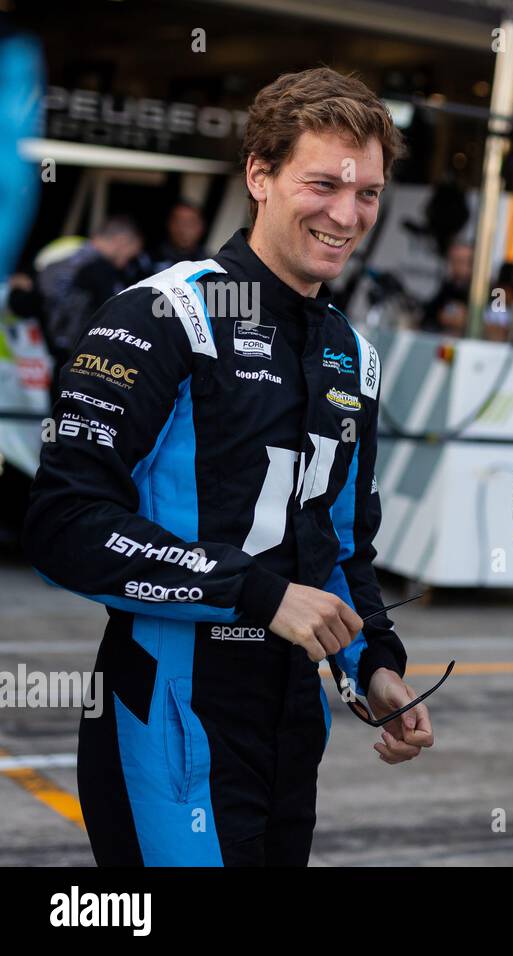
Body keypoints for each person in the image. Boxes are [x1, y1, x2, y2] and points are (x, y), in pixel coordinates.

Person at [24, 66, 432, 867]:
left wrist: (375, 665)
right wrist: (254, 592)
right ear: (260, 174)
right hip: (167, 713)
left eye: (369, 194)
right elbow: (63, 526)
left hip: (290, 725)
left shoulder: (353, 352)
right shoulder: (160, 314)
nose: (347, 215)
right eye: (323, 183)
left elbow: (341, 547)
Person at [39, 217, 143, 372]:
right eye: (130, 255)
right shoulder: (98, 268)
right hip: (71, 354)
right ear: (121, 241)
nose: (127, 262)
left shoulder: (65, 251)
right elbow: (115, 313)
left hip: (45, 350)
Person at [423, 238, 472, 335]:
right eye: (452, 261)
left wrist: (467, 319)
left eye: (460, 261)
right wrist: (440, 317)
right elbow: (428, 317)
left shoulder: (489, 290)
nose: (455, 266)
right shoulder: (448, 287)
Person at [150, 200, 207, 272]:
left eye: (190, 223)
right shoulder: (148, 260)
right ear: (169, 224)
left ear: (201, 227)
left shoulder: (209, 265)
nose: (184, 228)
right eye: (179, 222)